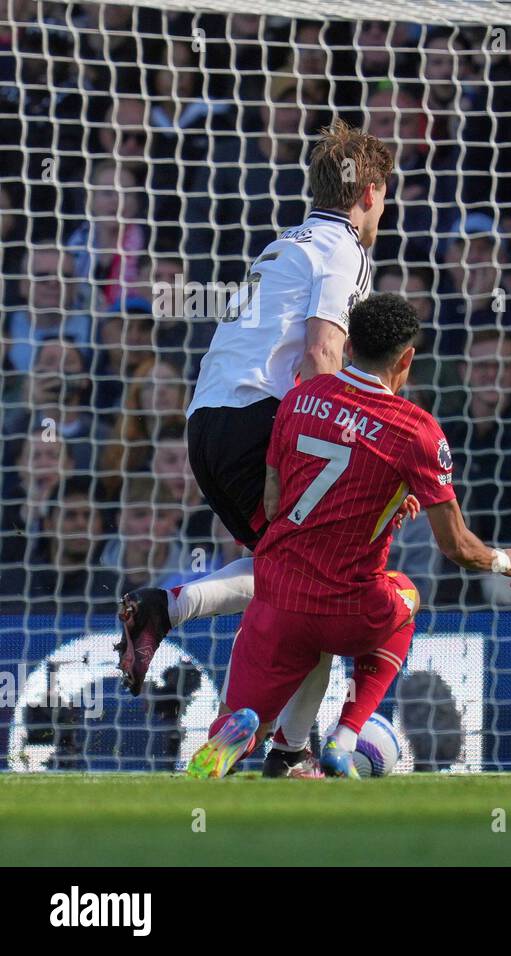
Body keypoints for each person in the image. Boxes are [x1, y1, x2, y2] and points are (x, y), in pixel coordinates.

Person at [115, 120, 393, 779]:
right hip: (258, 419)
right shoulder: (346, 250)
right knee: (321, 587)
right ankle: (291, 749)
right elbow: (325, 350)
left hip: (207, 421)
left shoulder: (282, 246)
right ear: (371, 193)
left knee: (289, 574)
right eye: (384, 199)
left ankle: (167, 609)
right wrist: (353, 448)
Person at [185, 294, 511, 778]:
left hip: (277, 599)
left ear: (348, 348)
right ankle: (343, 739)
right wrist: (503, 560)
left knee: (242, 718)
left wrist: (378, 498)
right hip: (350, 609)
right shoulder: (417, 431)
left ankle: (239, 733)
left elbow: (272, 501)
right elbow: (457, 547)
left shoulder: (299, 398)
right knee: (407, 595)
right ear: (406, 359)